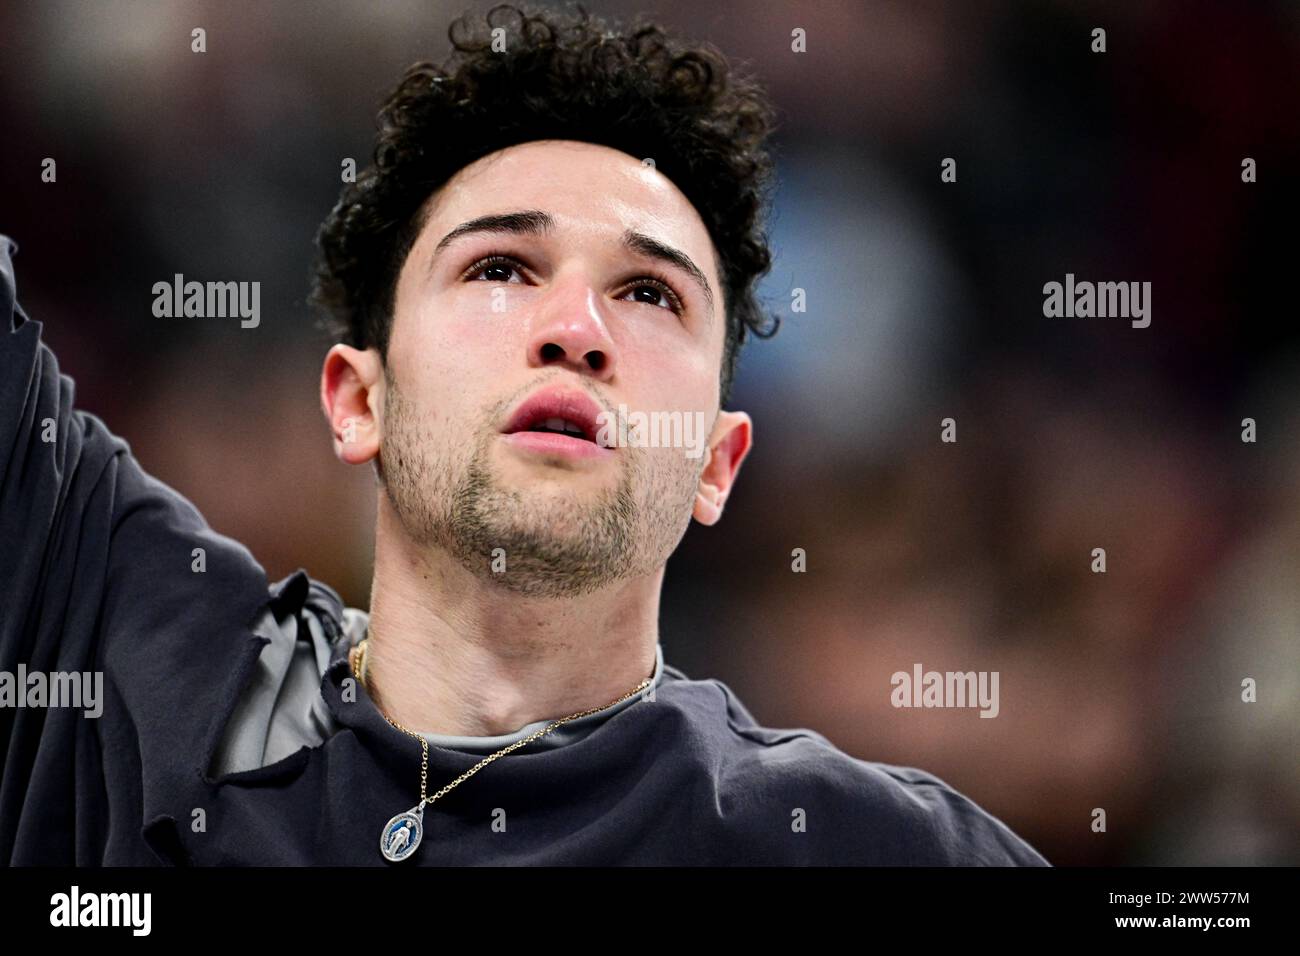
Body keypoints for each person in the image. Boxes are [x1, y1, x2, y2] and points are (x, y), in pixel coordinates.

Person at [0, 4, 1048, 866]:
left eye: (648, 292)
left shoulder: (874, 852)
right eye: (499, 268)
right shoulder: (114, 643)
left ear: (717, 463)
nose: (577, 332)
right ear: (359, 399)